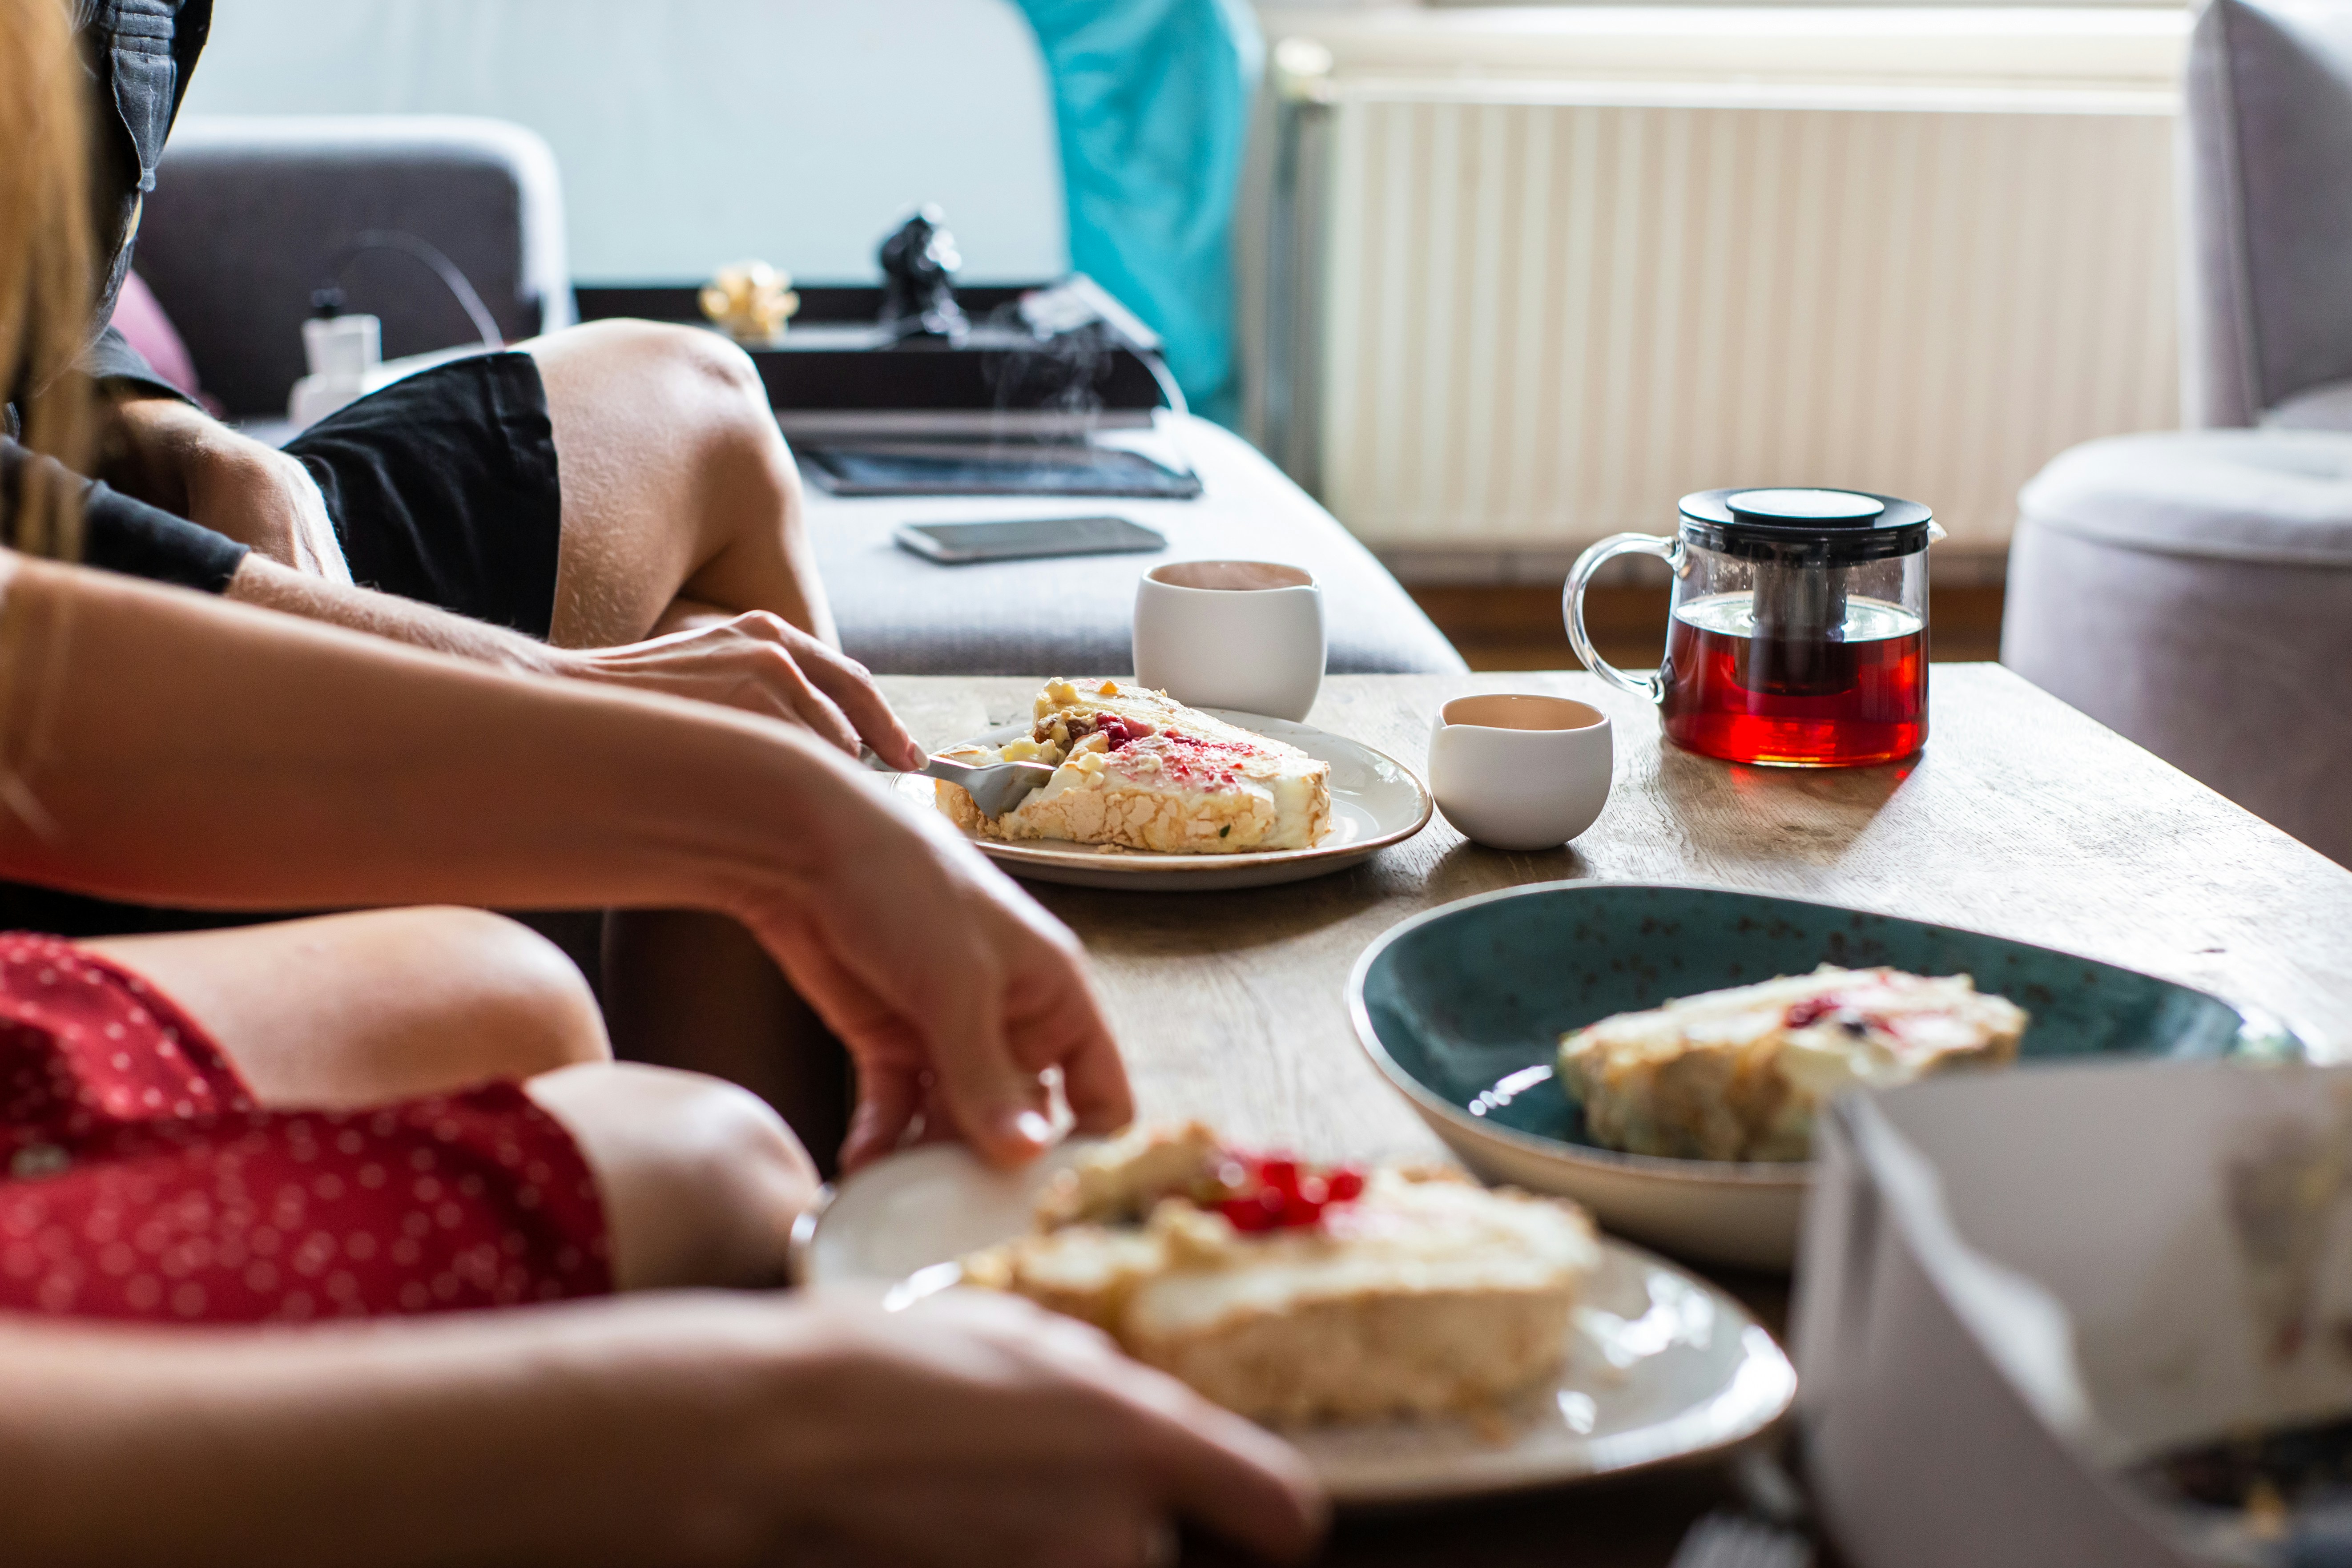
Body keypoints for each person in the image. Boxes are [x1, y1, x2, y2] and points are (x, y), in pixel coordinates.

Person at [0, 3, 1324, 1557]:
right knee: (701, 1157)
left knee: (693, 418)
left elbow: (55, 282)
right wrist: (741, 1423)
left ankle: (858, 1236)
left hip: (61, 526)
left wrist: (158, 424)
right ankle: (827, 1284)